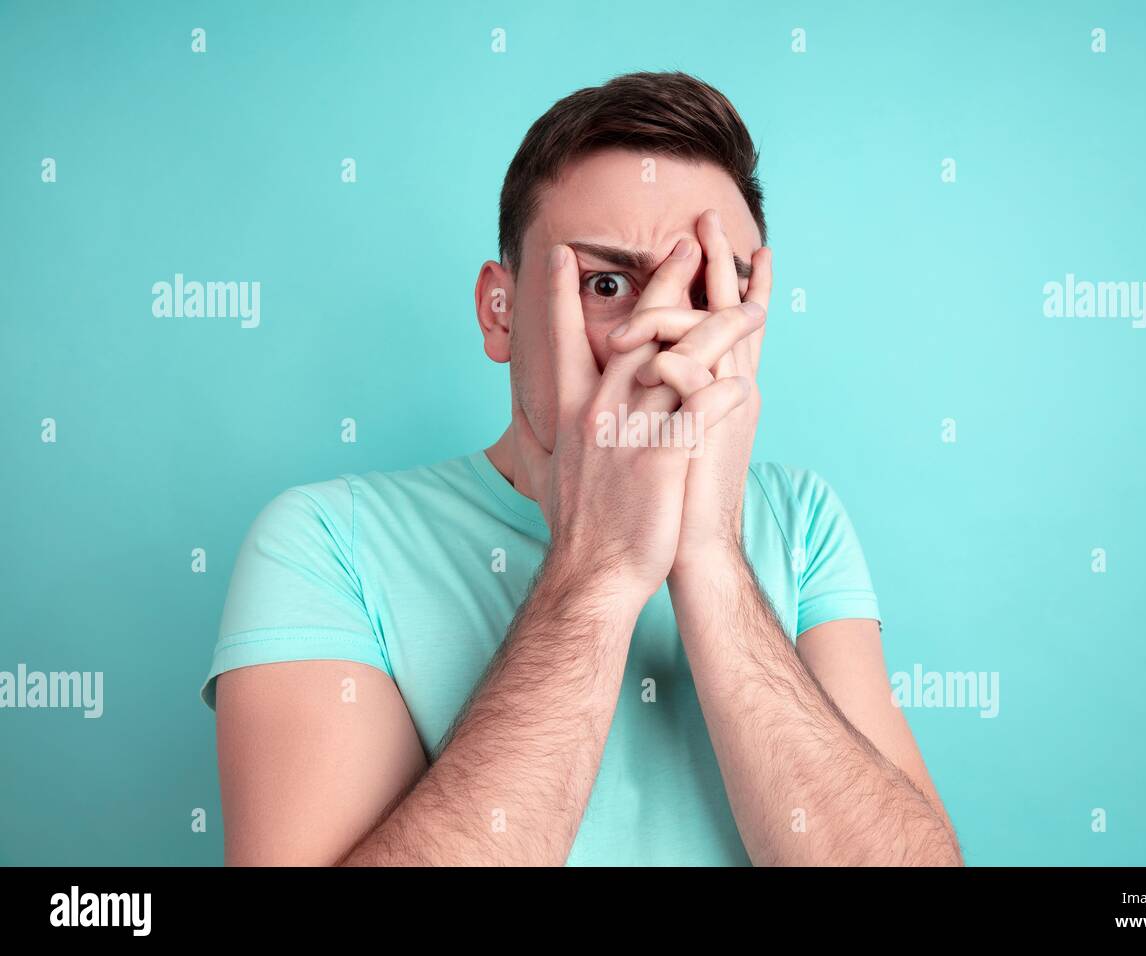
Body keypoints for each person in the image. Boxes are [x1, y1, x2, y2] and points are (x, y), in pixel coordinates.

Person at [203, 71, 961, 866]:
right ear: (499, 311)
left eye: (708, 288)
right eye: (608, 283)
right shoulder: (327, 544)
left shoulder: (801, 521)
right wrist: (599, 565)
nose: (665, 332)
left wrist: (708, 552)